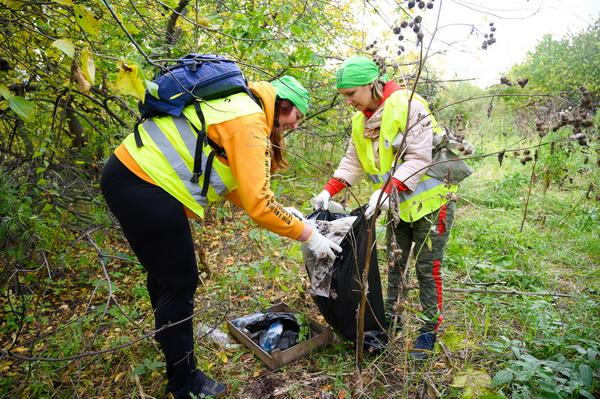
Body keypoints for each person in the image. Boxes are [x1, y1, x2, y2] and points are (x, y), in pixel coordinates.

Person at [100, 75, 341, 398]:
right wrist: (309, 234)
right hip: (145, 184)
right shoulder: (250, 122)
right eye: (296, 118)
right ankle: (185, 383)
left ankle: (170, 340)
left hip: (131, 177)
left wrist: (284, 211)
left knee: (166, 275)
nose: (294, 127)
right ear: (285, 106)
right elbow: (259, 206)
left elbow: (233, 185)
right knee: (180, 282)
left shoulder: (240, 107)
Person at [312, 56, 457, 359]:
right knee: (395, 264)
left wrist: (385, 191)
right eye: (344, 96)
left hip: (432, 204)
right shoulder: (360, 120)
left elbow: (419, 158)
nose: (348, 101)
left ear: (370, 84)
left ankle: (429, 328)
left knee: (426, 269)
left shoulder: (408, 105)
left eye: (351, 94)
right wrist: (328, 190)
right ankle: (391, 317)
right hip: (395, 206)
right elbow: (352, 162)